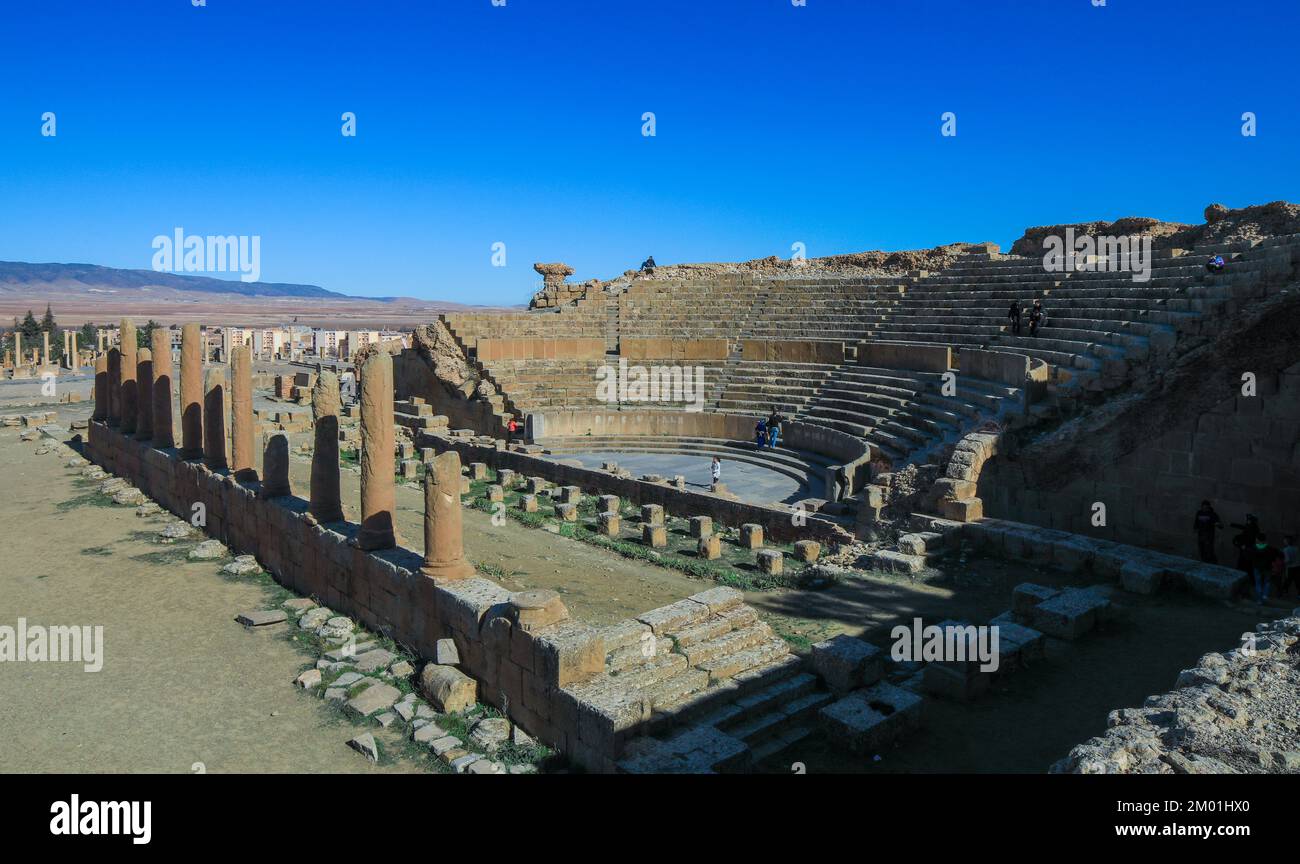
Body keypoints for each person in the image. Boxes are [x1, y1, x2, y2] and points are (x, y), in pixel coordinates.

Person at [1251, 533, 1279, 604]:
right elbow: (1277, 554)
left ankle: (1259, 600)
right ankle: (1265, 595)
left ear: (1257, 539)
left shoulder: (1253, 548)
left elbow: (1248, 557)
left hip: (1257, 568)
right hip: (1267, 567)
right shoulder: (1270, 548)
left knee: (1258, 583)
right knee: (1267, 582)